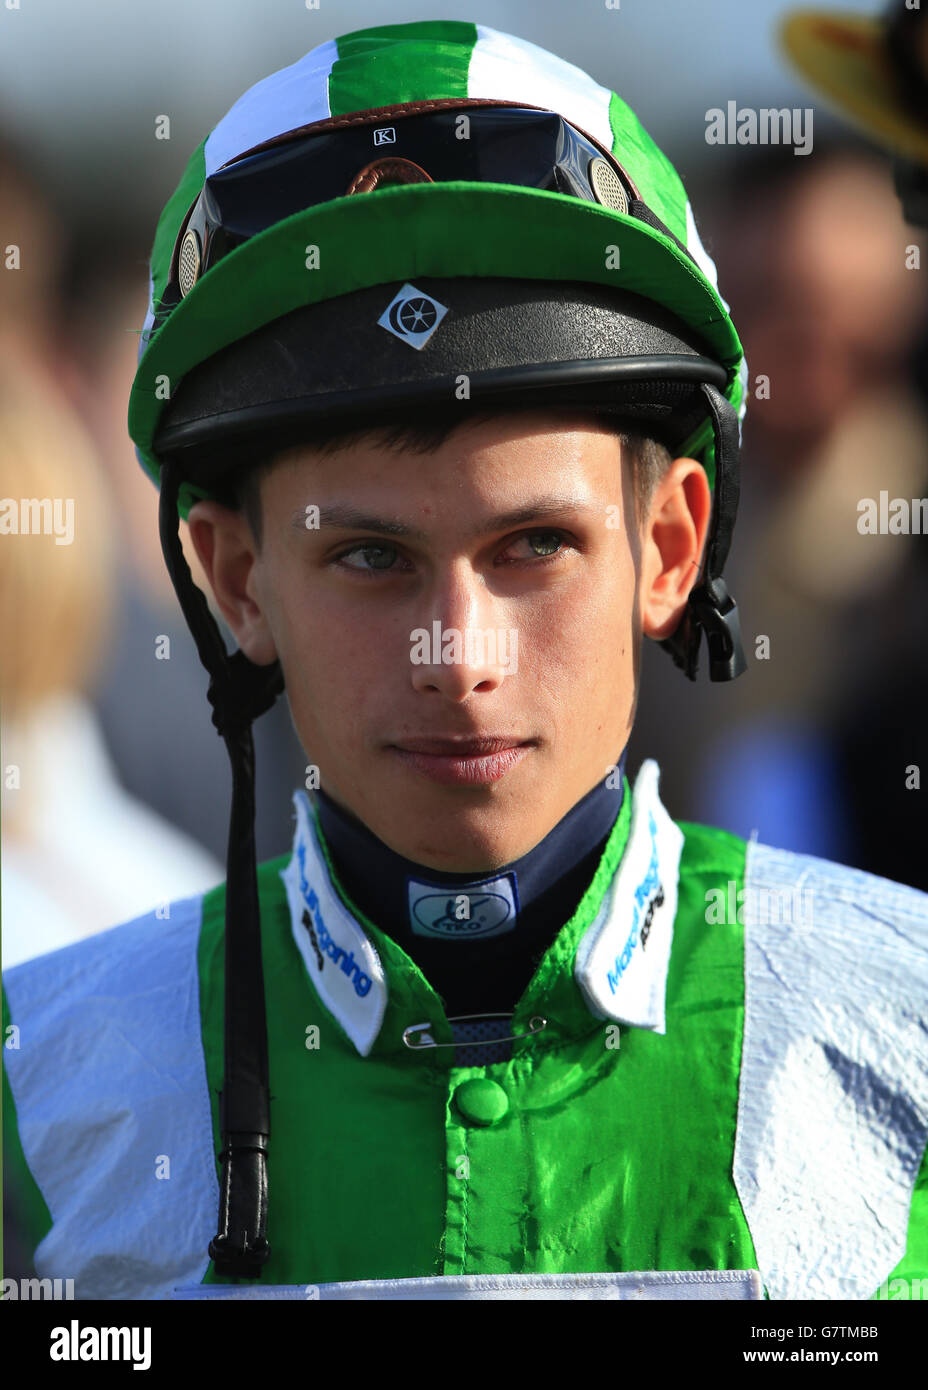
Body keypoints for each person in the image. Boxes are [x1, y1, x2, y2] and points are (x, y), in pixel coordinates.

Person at [3, 19, 927, 1303]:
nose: (457, 655)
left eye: (536, 543)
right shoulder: (30, 1091)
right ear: (234, 580)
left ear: (669, 550)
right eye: (371, 557)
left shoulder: (908, 1019)